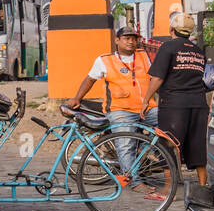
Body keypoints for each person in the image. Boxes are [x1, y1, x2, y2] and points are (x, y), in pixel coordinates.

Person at [66, 25, 158, 191]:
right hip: (120, 110)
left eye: (134, 39)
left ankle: (145, 149)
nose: (131, 42)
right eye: (127, 38)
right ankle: (135, 182)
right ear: (117, 41)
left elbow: (156, 78)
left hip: (147, 108)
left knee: (170, 123)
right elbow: (90, 79)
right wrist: (77, 98)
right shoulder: (104, 60)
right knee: (125, 144)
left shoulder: (144, 56)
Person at [140, 12, 211, 198]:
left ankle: (167, 190)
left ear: (172, 29)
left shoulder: (168, 47)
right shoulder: (197, 51)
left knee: (168, 144)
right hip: (199, 103)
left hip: (174, 104)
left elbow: (157, 78)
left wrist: (146, 99)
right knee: (197, 145)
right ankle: (202, 188)